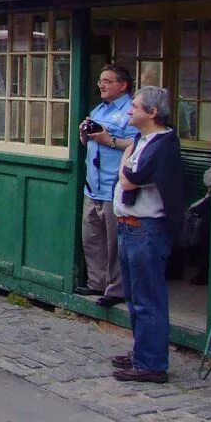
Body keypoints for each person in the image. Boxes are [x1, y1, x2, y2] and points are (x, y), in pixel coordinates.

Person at [111, 85, 183, 383]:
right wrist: (128, 153)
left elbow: (130, 180)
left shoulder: (161, 145)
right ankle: (143, 350)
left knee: (148, 297)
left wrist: (124, 159)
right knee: (134, 295)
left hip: (146, 230)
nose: (130, 110)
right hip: (130, 226)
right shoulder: (143, 140)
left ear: (152, 113)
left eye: (136, 107)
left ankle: (152, 362)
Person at [77, 64, 139, 307]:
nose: (101, 85)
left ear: (122, 85)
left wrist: (109, 140)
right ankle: (96, 282)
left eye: (107, 81)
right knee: (91, 237)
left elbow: (136, 145)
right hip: (92, 184)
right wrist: (86, 134)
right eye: (100, 81)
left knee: (115, 242)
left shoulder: (131, 111)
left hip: (114, 184)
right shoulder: (99, 108)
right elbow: (91, 143)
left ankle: (116, 289)